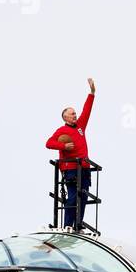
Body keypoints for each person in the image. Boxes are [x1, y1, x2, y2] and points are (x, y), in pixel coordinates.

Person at [46, 77, 96, 230]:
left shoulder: (80, 126)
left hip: (84, 167)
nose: (75, 115)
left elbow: (87, 110)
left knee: (84, 196)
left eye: (75, 113)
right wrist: (63, 145)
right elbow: (48, 143)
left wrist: (92, 93)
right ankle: (68, 224)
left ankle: (78, 225)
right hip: (71, 169)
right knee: (73, 196)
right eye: (72, 114)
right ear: (65, 117)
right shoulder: (61, 131)